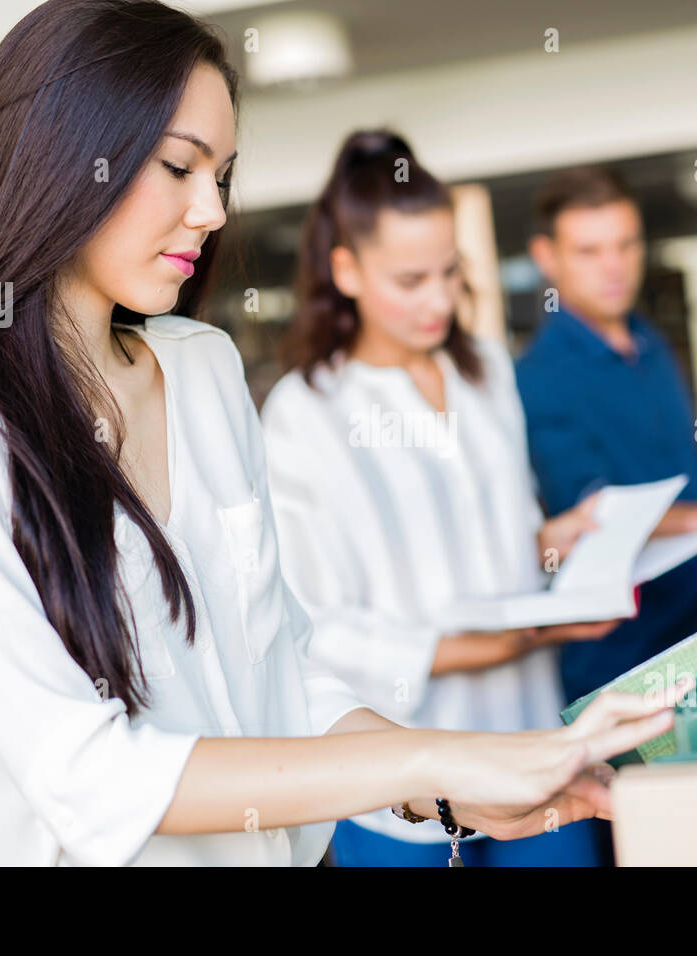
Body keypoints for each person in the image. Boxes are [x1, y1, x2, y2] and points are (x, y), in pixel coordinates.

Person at [0, 0, 678, 867]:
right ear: (65, 153)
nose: (213, 211)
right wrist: (427, 764)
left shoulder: (200, 368)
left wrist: (442, 784)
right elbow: (80, 773)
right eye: (179, 167)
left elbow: (286, 677)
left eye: (223, 177)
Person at [261, 130, 624, 867]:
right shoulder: (306, 412)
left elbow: (505, 538)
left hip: (531, 748)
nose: (437, 300)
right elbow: (316, 627)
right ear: (347, 270)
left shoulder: (485, 371)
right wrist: (485, 646)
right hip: (402, 787)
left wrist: (564, 540)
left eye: (449, 273)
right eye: (409, 279)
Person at [516, 165, 697, 707]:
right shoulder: (540, 378)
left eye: (625, 245)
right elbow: (596, 514)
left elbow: (683, 485)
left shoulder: (652, 346)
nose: (614, 267)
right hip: (625, 666)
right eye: (589, 251)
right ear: (546, 257)